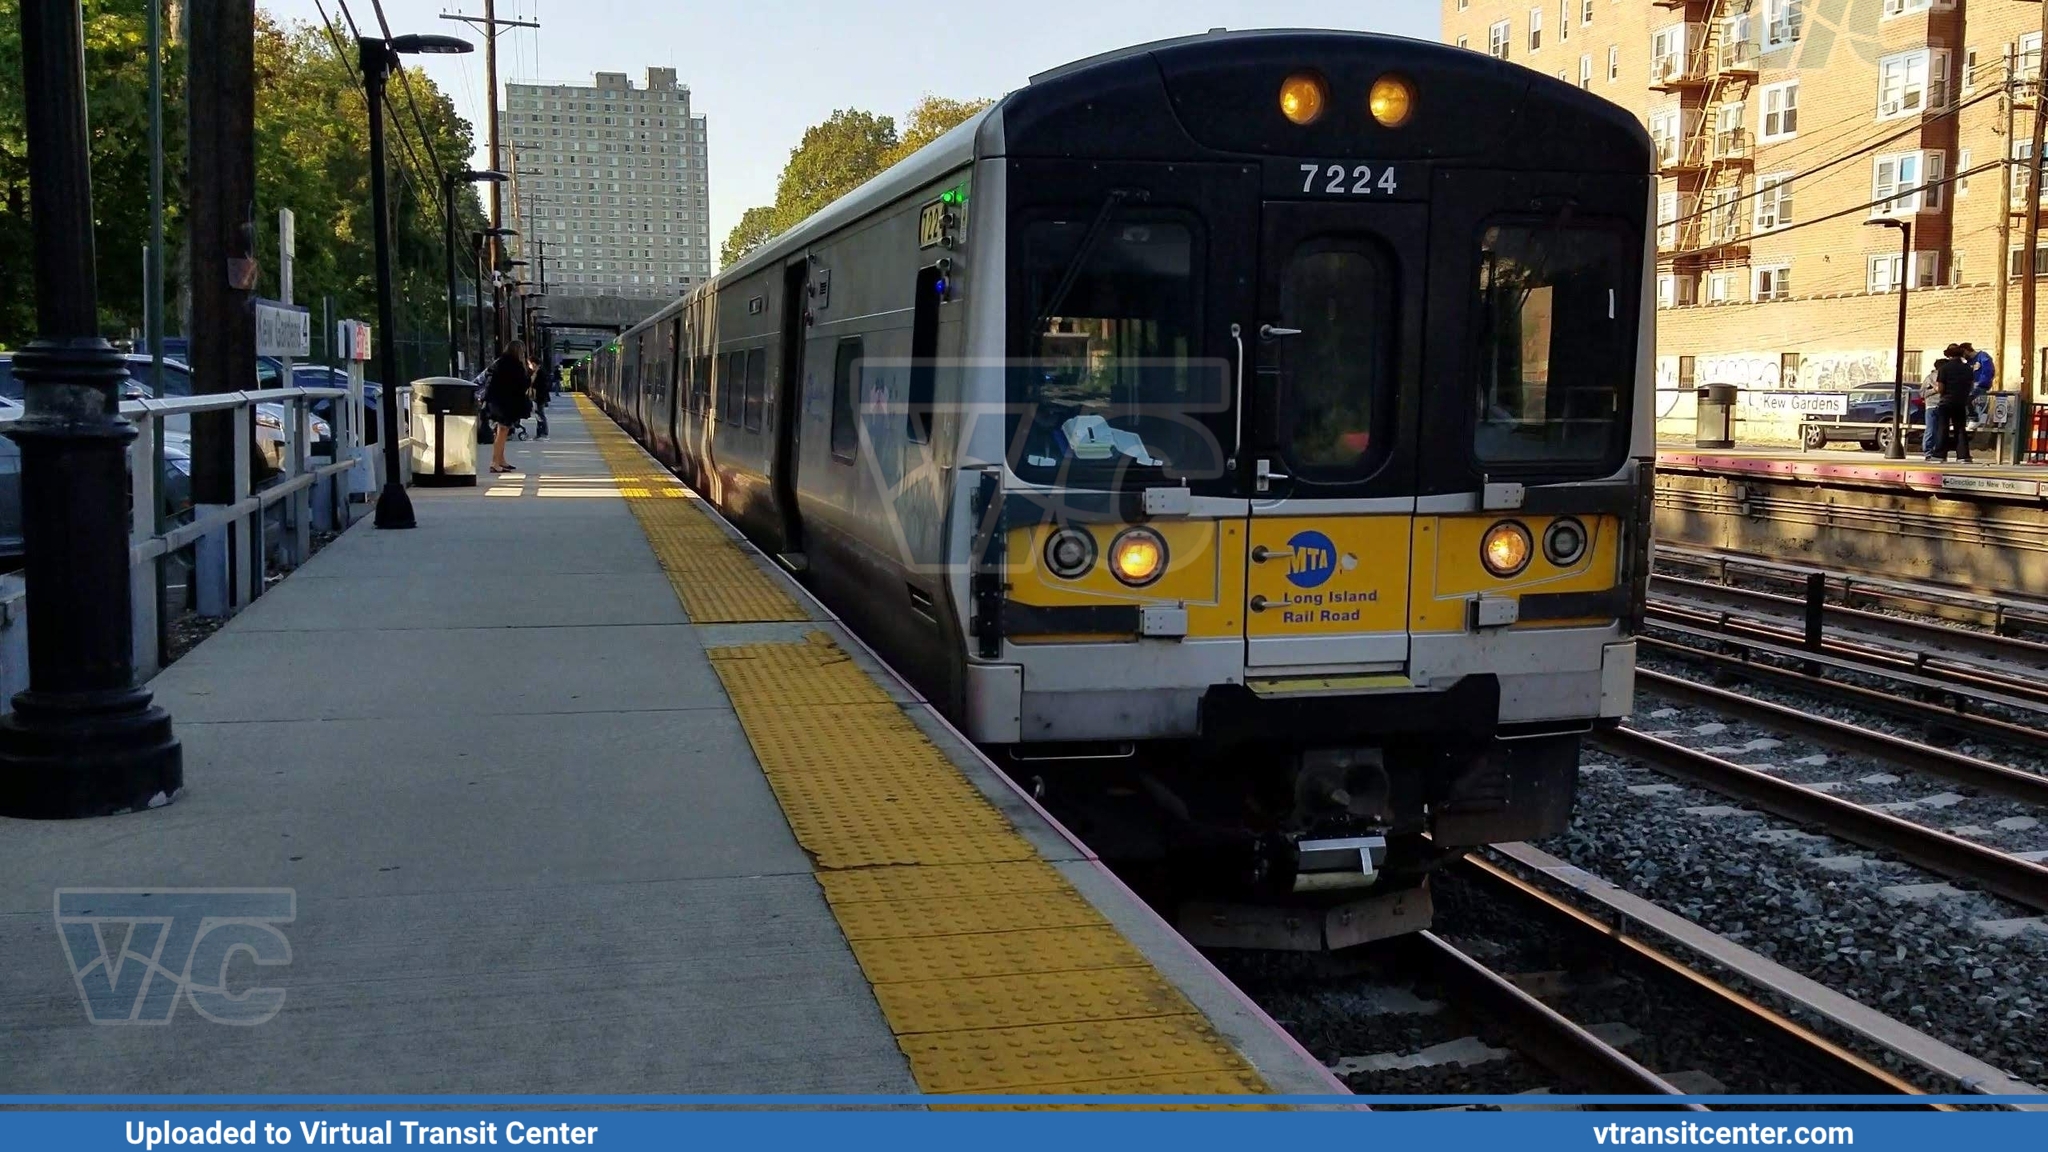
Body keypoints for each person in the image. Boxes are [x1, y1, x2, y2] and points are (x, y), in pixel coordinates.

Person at [484, 339, 533, 473]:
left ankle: (501, 460)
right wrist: (530, 374)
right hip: (504, 404)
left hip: (496, 402)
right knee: (502, 431)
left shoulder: (500, 362)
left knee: (501, 432)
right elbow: (521, 385)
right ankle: (495, 462)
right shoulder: (514, 365)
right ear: (518, 351)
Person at [1932, 343, 1975, 464]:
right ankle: (1963, 455)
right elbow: (1971, 385)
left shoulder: (1944, 369)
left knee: (1943, 428)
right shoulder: (1967, 368)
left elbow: (1941, 388)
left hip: (1946, 402)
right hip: (1961, 402)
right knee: (1960, 429)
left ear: (1949, 356)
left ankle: (1939, 455)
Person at [532, 353, 552, 440]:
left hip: (540, 397)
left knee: (539, 414)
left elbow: (540, 385)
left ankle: (542, 432)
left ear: (534, 364)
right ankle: (541, 432)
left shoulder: (540, 372)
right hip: (540, 396)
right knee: (539, 414)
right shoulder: (539, 371)